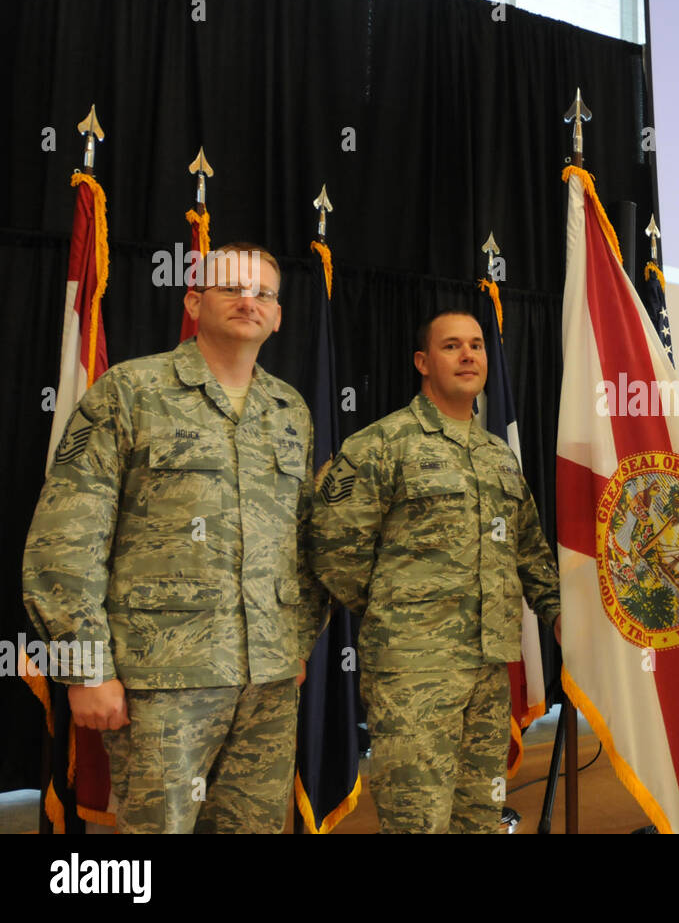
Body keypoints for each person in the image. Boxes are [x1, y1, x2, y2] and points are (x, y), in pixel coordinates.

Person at [24, 242, 323, 833]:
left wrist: (297, 641)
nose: (249, 300)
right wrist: (85, 668)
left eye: (263, 292)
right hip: (160, 677)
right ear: (193, 300)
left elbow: (303, 541)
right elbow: (65, 536)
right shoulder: (130, 390)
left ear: (279, 314)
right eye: (232, 287)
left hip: (268, 679)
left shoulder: (290, 408)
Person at [309, 310, 560, 834]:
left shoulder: (497, 456)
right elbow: (335, 550)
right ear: (423, 362)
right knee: (417, 820)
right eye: (452, 346)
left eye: (476, 345)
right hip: (414, 671)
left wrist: (556, 611)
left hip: (490, 668)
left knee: (479, 816)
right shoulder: (380, 445)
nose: (468, 355)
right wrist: (398, 609)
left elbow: (529, 549)